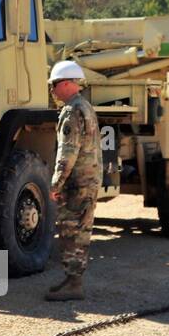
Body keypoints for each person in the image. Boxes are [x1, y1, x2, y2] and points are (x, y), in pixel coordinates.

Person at [46, 59, 100, 301]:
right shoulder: (85, 106)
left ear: (67, 84)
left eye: (55, 84)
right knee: (81, 230)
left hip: (77, 182)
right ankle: (71, 279)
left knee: (71, 232)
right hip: (88, 179)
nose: (52, 90)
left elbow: (67, 153)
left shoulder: (71, 111)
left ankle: (74, 283)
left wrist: (56, 183)